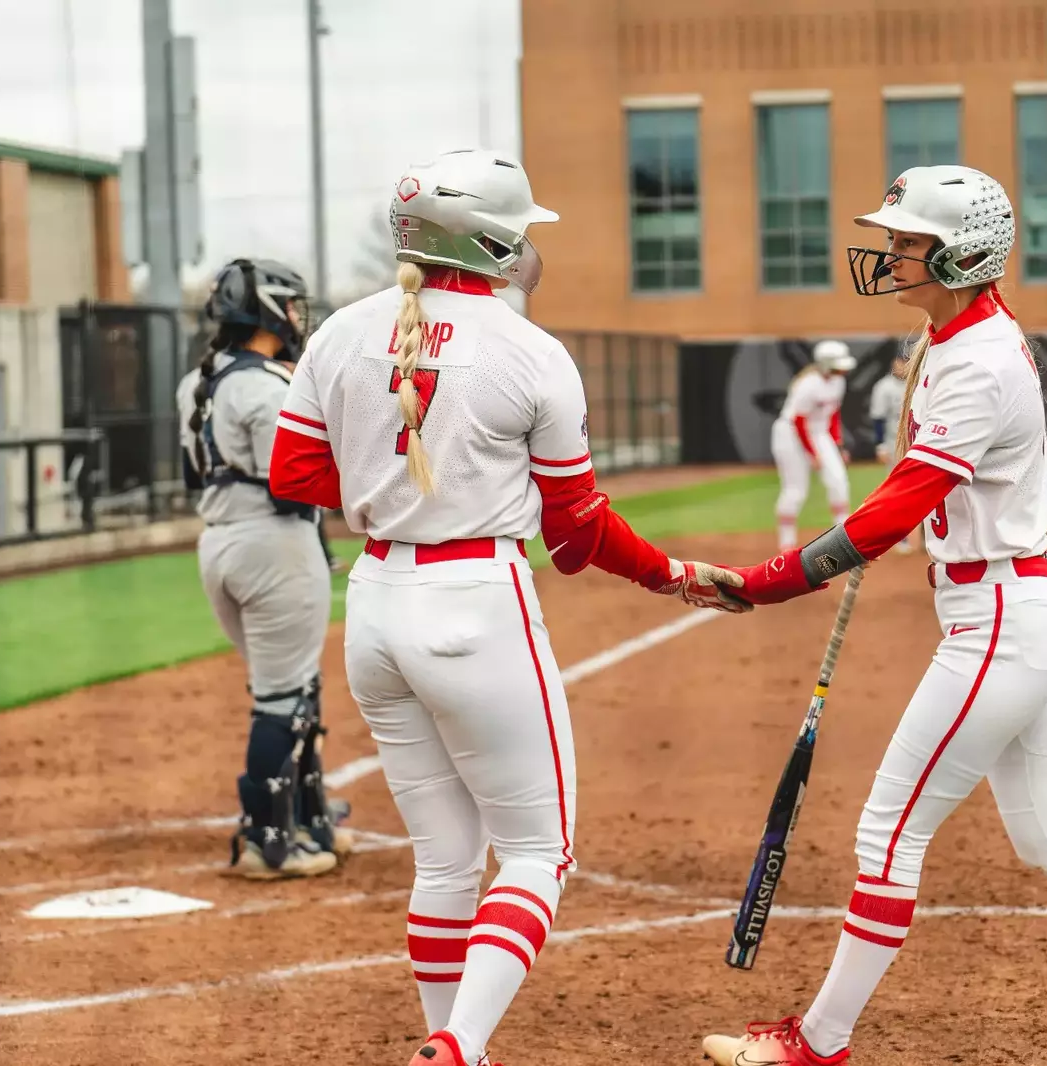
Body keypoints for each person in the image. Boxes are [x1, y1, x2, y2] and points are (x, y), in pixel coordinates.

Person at [703, 167, 1047, 1066]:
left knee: (888, 832)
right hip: (1022, 608)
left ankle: (816, 1045)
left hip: (1002, 621)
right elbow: (914, 489)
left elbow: (900, 505)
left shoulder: (979, 360)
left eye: (908, 242)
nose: (889, 254)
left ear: (960, 256)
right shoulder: (957, 337)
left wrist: (772, 580)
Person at [267, 149, 749, 1066]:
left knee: (445, 861)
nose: (528, 245)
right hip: (474, 604)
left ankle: (453, 1048)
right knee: (537, 854)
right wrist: (670, 573)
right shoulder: (529, 350)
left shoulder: (337, 332)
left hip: (374, 605)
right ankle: (459, 1047)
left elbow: (293, 474)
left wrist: (390, 490)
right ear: (484, 241)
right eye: (518, 230)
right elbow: (576, 529)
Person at [176, 258, 350, 881]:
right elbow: (296, 481)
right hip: (274, 547)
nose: (299, 317)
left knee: (293, 685)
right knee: (283, 696)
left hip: (220, 544)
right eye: (292, 306)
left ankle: (310, 815)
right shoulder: (270, 386)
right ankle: (268, 841)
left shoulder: (197, 382)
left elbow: (194, 473)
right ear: (270, 311)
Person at [771, 340, 854, 551]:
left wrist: (838, 446)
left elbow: (833, 415)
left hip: (819, 432)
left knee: (839, 480)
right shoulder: (807, 385)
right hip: (790, 433)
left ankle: (842, 537)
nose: (843, 370)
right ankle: (787, 543)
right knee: (795, 489)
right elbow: (799, 421)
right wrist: (812, 454)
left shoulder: (838, 382)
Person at [867, 351, 922, 554]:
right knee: (899, 488)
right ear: (894, 363)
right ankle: (901, 538)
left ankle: (926, 537)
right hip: (894, 443)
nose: (903, 366)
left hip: (919, 440)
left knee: (923, 487)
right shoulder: (884, 387)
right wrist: (880, 446)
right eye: (900, 362)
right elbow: (878, 418)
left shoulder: (918, 382)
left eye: (907, 362)